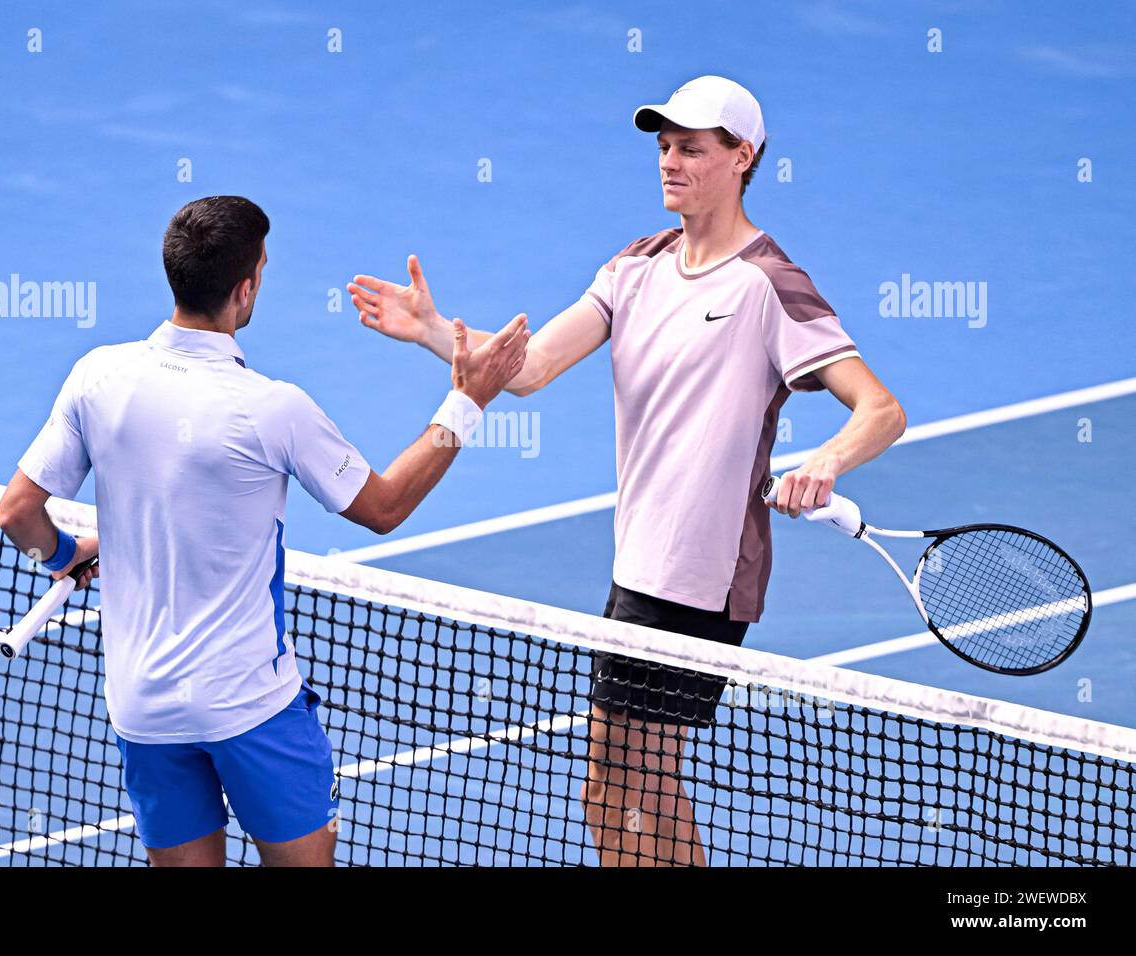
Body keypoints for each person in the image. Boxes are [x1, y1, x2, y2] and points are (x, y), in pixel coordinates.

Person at [346, 76, 907, 866]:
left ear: (743, 157)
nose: (670, 163)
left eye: (692, 149)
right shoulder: (635, 266)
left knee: (623, 782)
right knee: (633, 782)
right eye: (665, 147)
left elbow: (880, 410)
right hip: (641, 562)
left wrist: (826, 460)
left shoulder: (770, 285)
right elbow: (533, 367)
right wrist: (437, 333)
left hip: (702, 573)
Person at [0, 195, 529, 867]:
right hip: (252, 709)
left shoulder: (97, 376)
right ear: (245, 288)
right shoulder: (273, 409)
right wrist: (469, 401)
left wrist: (66, 552)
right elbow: (385, 507)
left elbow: (19, 512)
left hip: (145, 709)